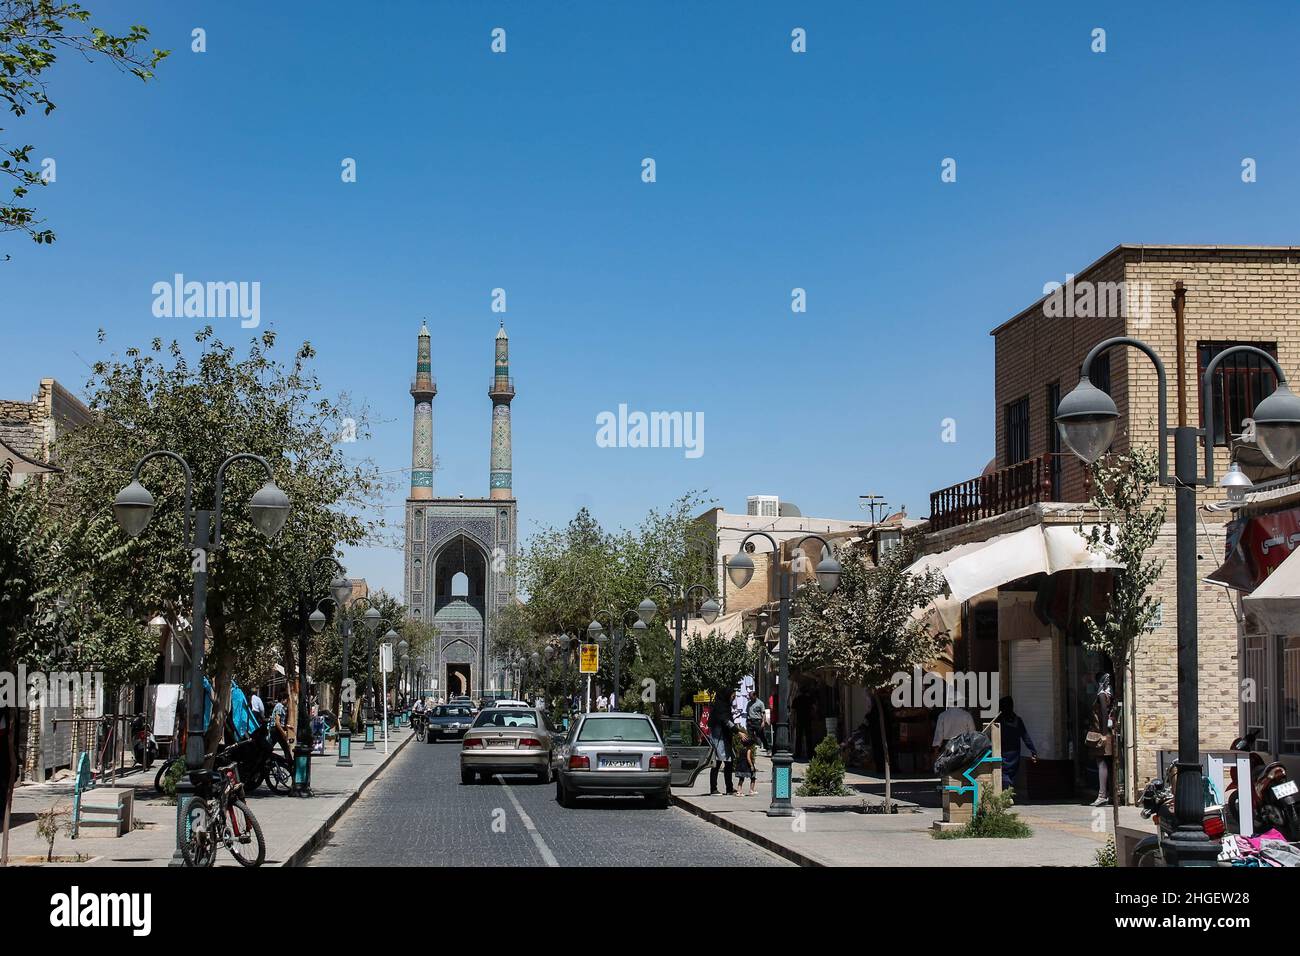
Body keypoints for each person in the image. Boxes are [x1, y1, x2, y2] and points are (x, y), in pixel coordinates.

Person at [994, 696, 1038, 793]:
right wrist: (1033, 751)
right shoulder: (1017, 720)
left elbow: (992, 737)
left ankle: (1006, 794)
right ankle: (1008, 793)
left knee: (1004, 773)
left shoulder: (999, 721)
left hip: (1002, 752)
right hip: (1015, 754)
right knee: (1011, 774)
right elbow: (1025, 736)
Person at [1088, 672, 1117, 807]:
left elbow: (1104, 714)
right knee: (1107, 763)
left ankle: (1102, 795)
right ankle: (1109, 794)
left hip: (1102, 732)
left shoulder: (1101, 695)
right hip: (1108, 732)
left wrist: (1104, 734)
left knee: (1101, 762)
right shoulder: (1109, 695)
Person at [707, 700, 735, 795]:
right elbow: (725, 721)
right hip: (718, 739)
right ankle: (713, 789)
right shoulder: (720, 709)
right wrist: (737, 731)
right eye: (732, 695)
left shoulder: (725, 707)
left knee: (728, 764)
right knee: (717, 764)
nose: (733, 697)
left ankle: (729, 788)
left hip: (725, 739)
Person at [792, 685, 816, 760]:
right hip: (808, 719)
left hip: (799, 719)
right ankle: (810, 753)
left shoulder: (797, 699)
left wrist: (793, 720)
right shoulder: (809, 699)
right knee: (809, 737)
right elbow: (814, 708)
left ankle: (797, 753)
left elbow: (793, 711)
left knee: (798, 737)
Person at [734, 725, 758, 796]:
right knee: (753, 777)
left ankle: (739, 791)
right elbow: (748, 758)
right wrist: (751, 766)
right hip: (746, 766)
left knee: (741, 779)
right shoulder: (749, 750)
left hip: (741, 765)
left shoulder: (741, 749)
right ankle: (751, 790)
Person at [269, 690, 292, 762]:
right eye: (286, 700)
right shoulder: (279, 706)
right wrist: (283, 733)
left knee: (270, 746)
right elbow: (277, 722)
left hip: (276, 729)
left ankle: (265, 757)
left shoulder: (279, 706)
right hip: (276, 730)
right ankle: (290, 763)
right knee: (285, 747)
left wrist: (287, 726)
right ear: (283, 699)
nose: (287, 702)